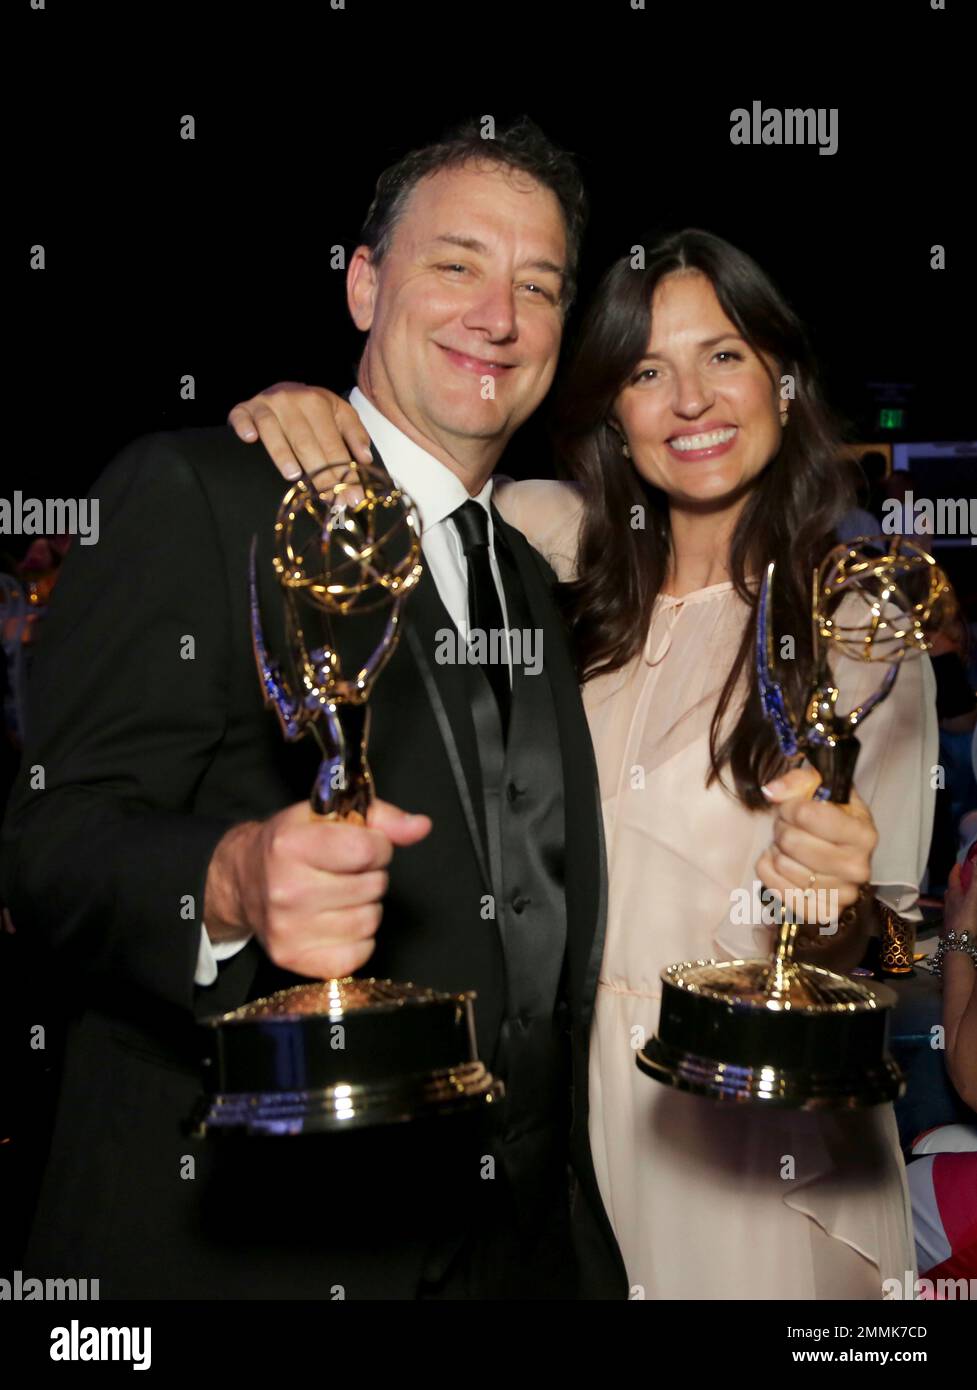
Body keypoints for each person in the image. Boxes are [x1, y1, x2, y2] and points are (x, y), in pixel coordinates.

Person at [230, 229, 938, 1298]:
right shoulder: (551, 553)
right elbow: (400, 496)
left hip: (750, 1142)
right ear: (611, 406)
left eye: (724, 356)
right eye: (647, 371)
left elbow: (892, 961)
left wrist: (839, 909)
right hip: (562, 1124)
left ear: (783, 383)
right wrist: (309, 414)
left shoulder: (848, 627)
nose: (688, 399)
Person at [1, 116, 628, 1300]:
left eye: (535, 285)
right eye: (455, 264)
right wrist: (229, 876)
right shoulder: (204, 492)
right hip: (258, 1245)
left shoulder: (529, 580)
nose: (496, 314)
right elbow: (48, 845)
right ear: (362, 283)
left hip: (511, 1247)